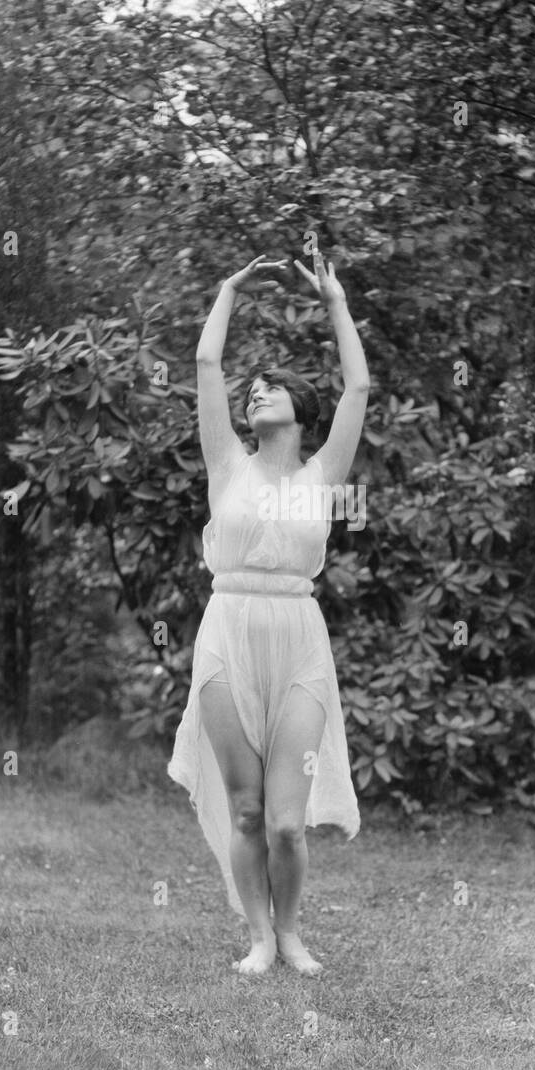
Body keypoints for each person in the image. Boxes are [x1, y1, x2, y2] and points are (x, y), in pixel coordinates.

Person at [167, 250, 370, 975]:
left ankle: (290, 933)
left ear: (299, 410)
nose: (254, 394)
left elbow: (358, 387)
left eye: (270, 388)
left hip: (297, 637)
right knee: (247, 809)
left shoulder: (322, 475)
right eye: (251, 390)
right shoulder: (227, 462)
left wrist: (335, 300)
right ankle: (258, 937)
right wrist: (228, 287)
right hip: (227, 630)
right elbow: (203, 363)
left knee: (287, 822)